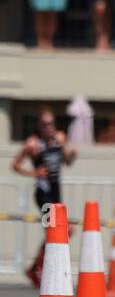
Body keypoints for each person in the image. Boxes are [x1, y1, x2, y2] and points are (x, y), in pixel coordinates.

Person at [11, 107, 76, 287]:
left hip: (56, 192)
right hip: (43, 195)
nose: (49, 128)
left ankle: (34, 268)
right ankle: (39, 269)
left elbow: (67, 162)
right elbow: (15, 165)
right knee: (60, 230)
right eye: (45, 124)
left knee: (57, 232)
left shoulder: (60, 139)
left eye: (51, 123)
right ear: (39, 126)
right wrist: (34, 172)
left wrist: (71, 155)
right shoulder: (32, 144)